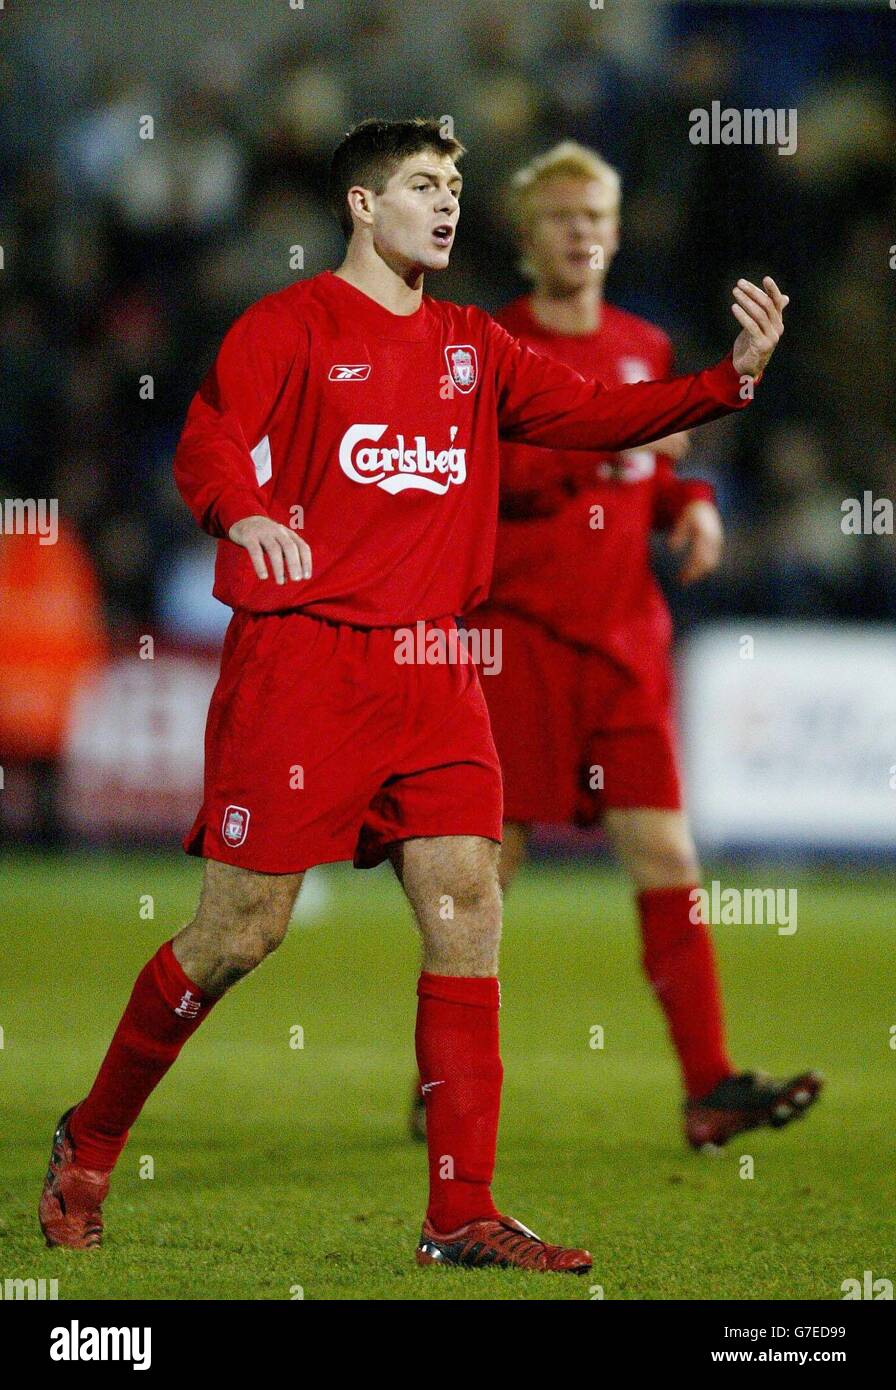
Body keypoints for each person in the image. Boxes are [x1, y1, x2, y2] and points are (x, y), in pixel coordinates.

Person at [40, 117, 788, 1272]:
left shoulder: (469, 343)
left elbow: (590, 415)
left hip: (438, 666)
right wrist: (241, 512)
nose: (446, 205)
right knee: (241, 932)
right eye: (423, 186)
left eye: (453, 187)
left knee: (466, 903)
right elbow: (211, 440)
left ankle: (460, 1209)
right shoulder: (288, 326)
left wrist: (721, 386)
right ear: (359, 205)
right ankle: (90, 1142)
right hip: (303, 663)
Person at [411, 141, 819, 1150]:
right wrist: (594, 454)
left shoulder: (642, 344)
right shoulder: (481, 344)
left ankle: (708, 1086)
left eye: (595, 214)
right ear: (525, 236)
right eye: (559, 216)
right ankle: (442, 1084)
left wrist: (692, 503)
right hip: (516, 643)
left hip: (623, 643)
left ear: (617, 228)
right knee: (481, 875)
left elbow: (663, 458)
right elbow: (460, 483)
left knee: (665, 851)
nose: (580, 231)